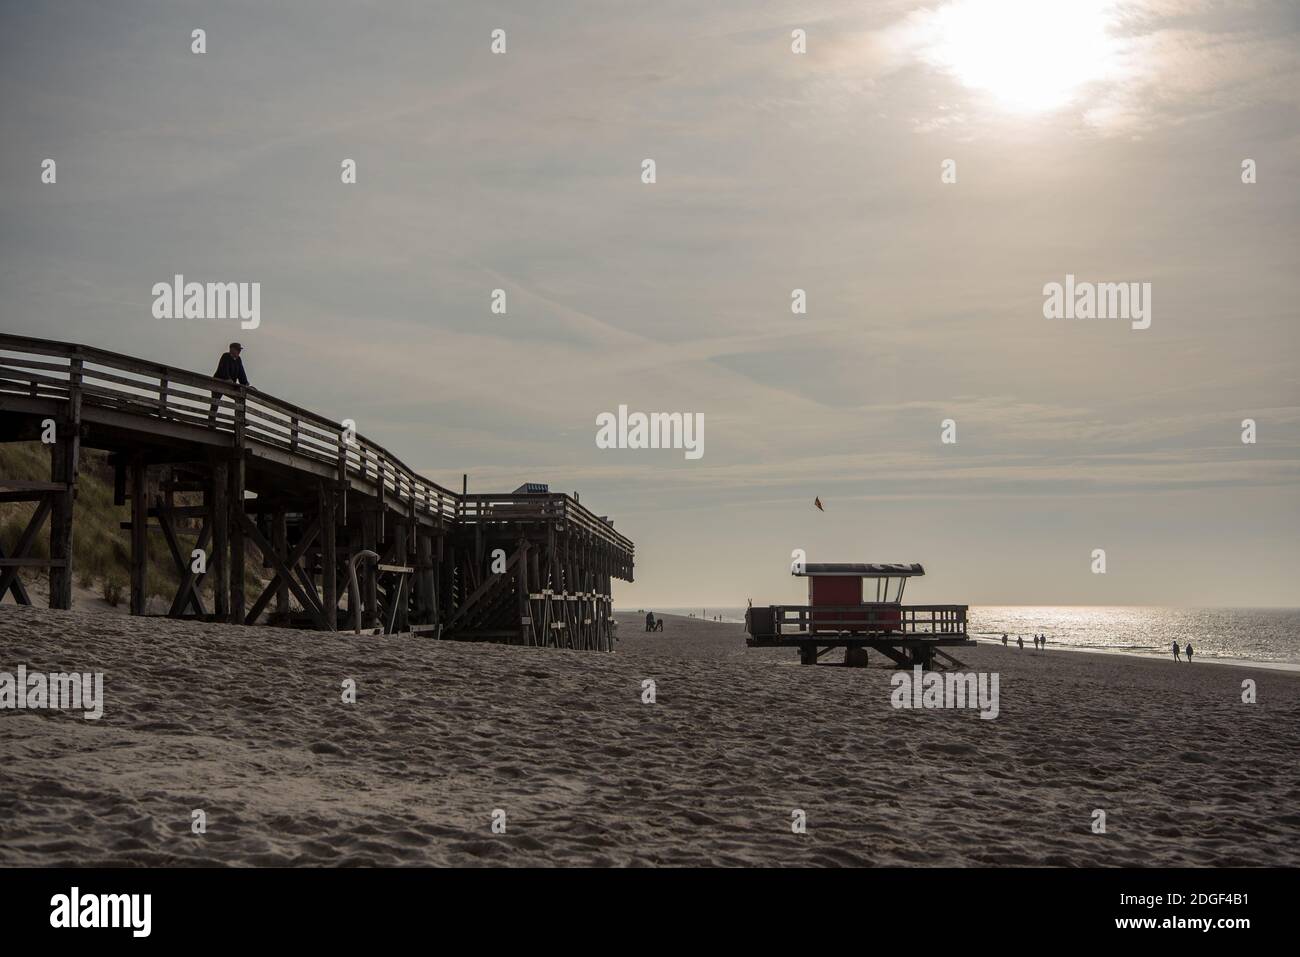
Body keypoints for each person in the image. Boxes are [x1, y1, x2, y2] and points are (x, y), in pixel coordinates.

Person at [210, 342, 251, 423]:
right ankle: (211, 423)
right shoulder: (226, 356)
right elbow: (223, 369)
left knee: (239, 399)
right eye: (238, 350)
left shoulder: (238, 360)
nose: (239, 352)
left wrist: (245, 383)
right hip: (219, 384)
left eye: (240, 350)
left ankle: (239, 421)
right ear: (231, 349)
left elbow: (241, 373)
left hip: (230, 385)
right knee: (215, 403)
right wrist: (227, 378)